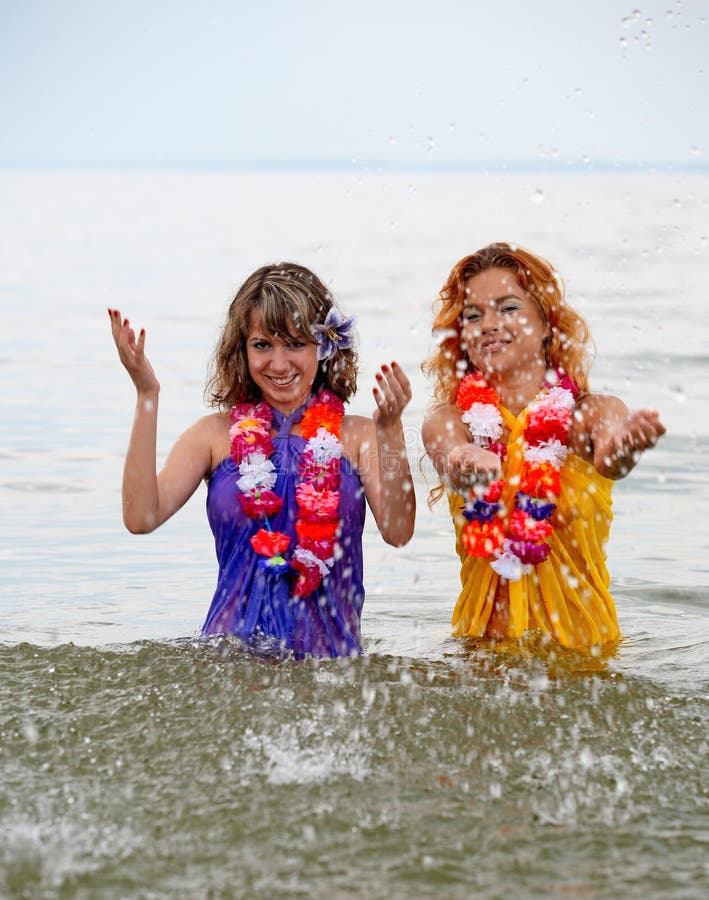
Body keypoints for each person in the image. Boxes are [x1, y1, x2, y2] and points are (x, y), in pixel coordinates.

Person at [108, 262, 415, 659]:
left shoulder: (359, 436)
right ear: (242, 349)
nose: (279, 364)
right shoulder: (212, 436)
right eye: (262, 345)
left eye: (295, 344)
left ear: (324, 346)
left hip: (330, 667)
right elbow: (140, 517)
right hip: (228, 662)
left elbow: (398, 531)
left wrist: (391, 432)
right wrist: (146, 394)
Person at [422, 242, 665, 651]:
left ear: (547, 322)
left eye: (508, 308)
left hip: (584, 659)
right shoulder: (452, 421)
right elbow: (452, 458)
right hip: (480, 660)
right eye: (473, 315)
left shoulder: (590, 412)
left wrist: (623, 449)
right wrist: (465, 460)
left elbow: (610, 457)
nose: (488, 324)